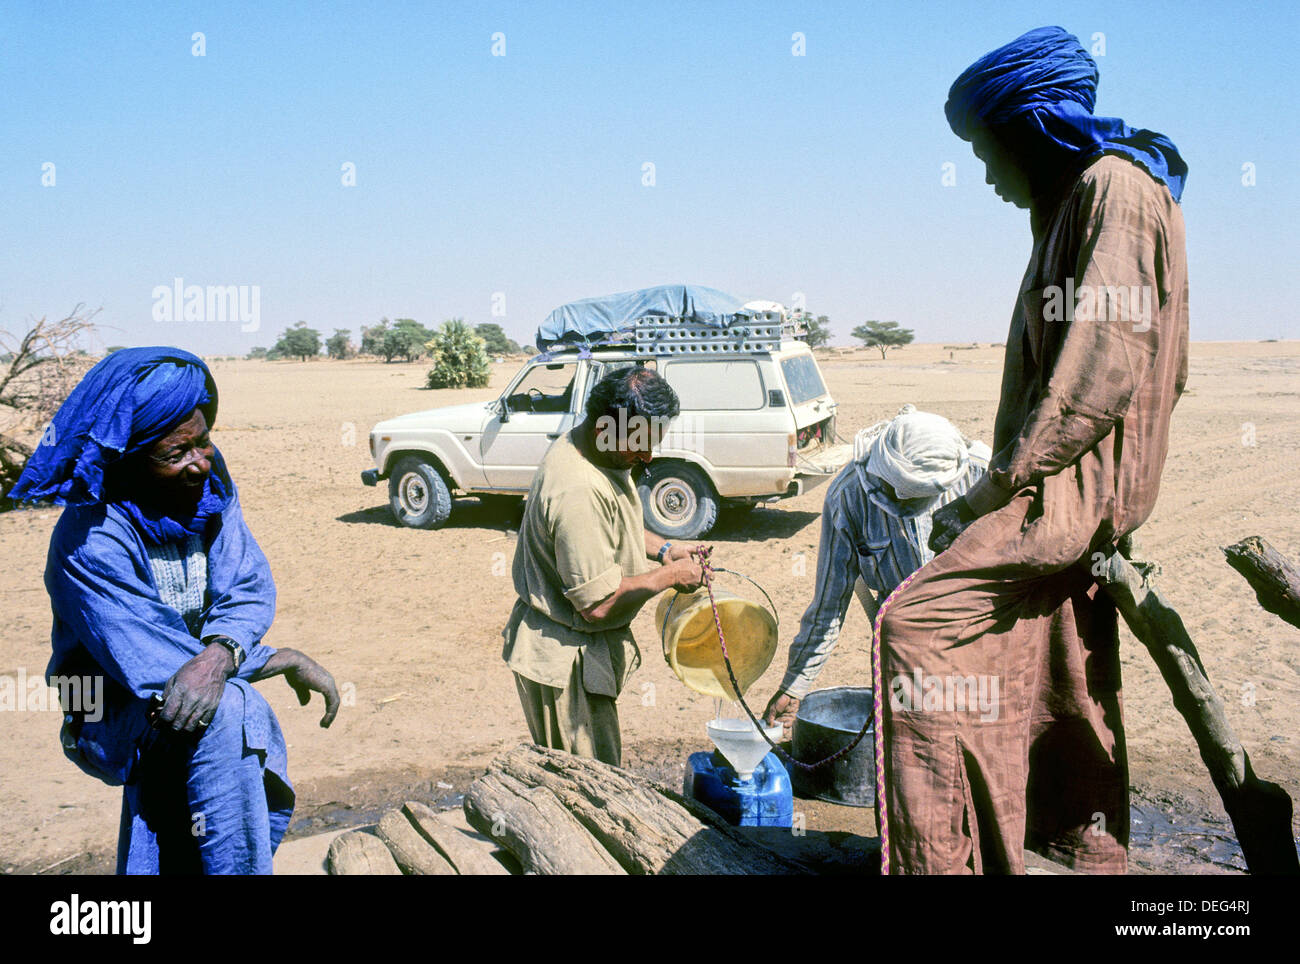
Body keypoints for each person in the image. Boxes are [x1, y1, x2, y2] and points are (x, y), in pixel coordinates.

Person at [871, 26, 1189, 874]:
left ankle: (940, 857)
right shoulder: (1077, 197)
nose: (984, 173)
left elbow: (1100, 368)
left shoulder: (1111, 192)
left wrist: (995, 491)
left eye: (986, 150)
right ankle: (1075, 843)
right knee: (1055, 656)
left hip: (1073, 487)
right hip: (1072, 481)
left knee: (914, 626)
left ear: (1031, 127)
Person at [9, 347, 340, 874]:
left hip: (185, 686)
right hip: (105, 706)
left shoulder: (207, 486)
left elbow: (247, 584)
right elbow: (159, 662)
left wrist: (226, 651)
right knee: (231, 710)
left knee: (220, 711)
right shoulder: (89, 542)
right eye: (176, 453)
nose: (200, 461)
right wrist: (268, 658)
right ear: (129, 459)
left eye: (204, 441)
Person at [503, 366, 705, 766]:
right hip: (564, 662)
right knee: (587, 784)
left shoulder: (598, 449)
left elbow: (615, 526)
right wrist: (670, 577)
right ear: (603, 429)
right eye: (639, 445)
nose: (647, 456)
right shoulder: (577, 489)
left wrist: (666, 550)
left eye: (653, 443)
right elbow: (597, 606)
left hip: (576, 650)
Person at [762, 406, 989, 736]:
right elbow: (828, 604)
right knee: (911, 744)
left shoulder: (980, 475)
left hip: (974, 639)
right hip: (903, 651)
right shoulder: (848, 496)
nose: (899, 503)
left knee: (976, 737)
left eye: (913, 500)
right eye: (893, 491)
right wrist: (795, 685)